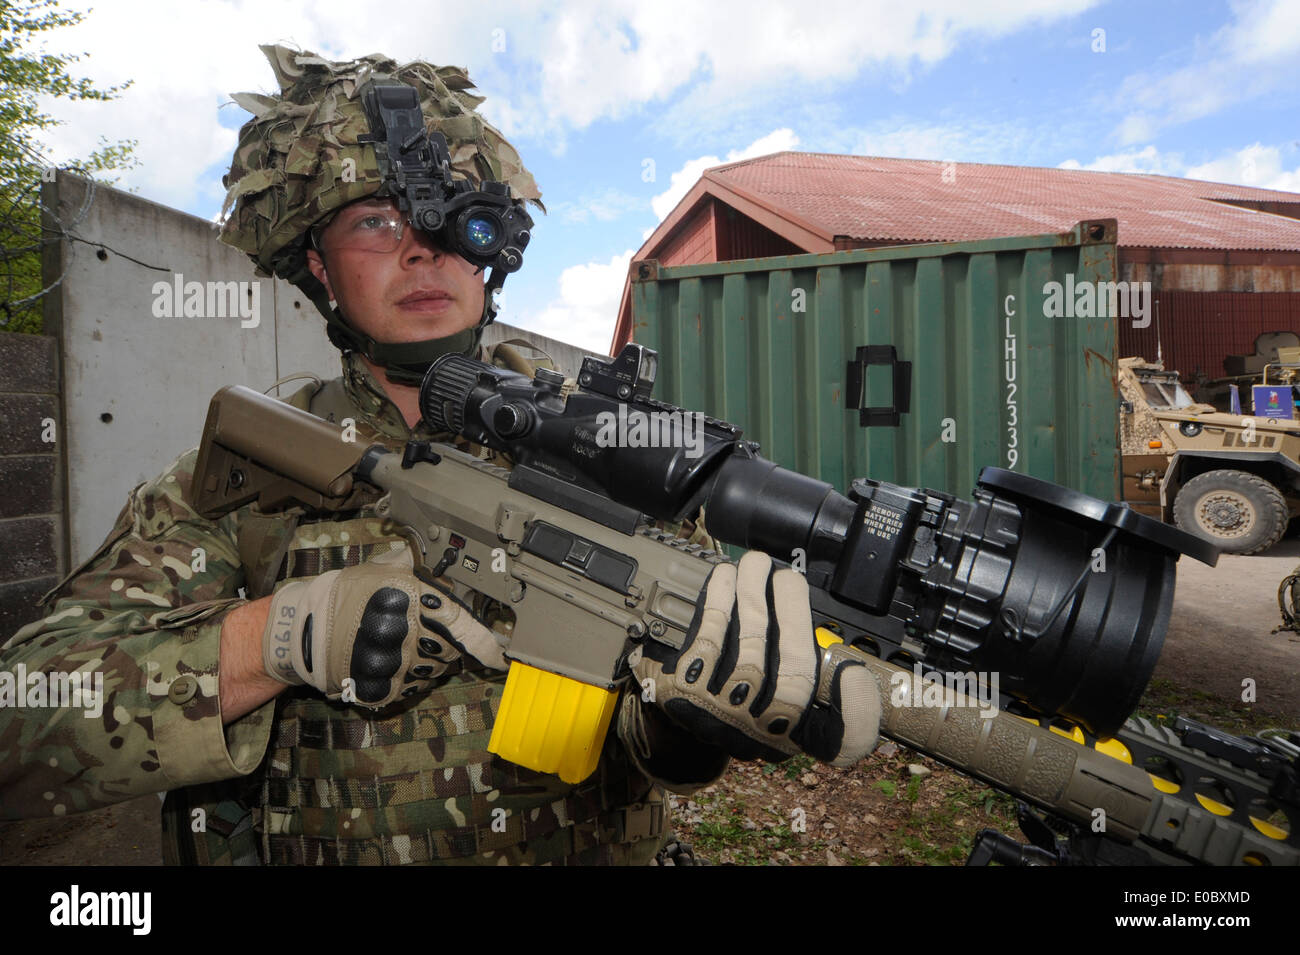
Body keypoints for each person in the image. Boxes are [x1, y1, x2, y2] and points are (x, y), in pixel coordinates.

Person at [0, 45, 880, 865]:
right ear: (316, 263)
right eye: (376, 221)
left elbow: (650, 747)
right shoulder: (240, 485)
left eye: (457, 220)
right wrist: (269, 640)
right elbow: (23, 726)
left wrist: (688, 730)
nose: (422, 248)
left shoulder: (618, 457)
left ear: (494, 253)